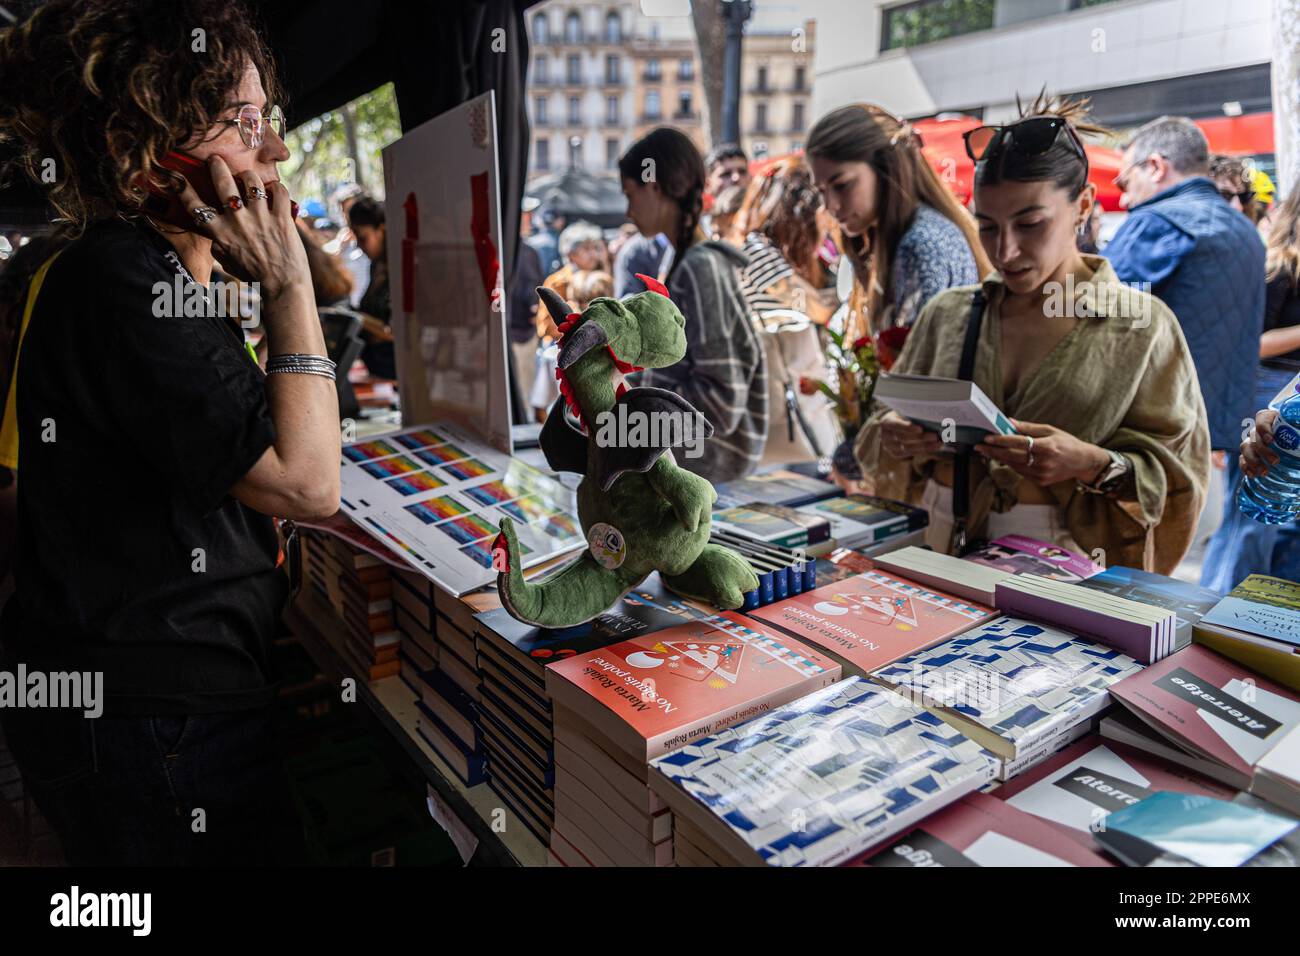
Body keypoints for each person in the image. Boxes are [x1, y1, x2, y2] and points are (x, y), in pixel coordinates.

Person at [0, 0, 339, 864]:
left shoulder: (153, 276)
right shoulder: (122, 283)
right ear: (152, 155)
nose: (276, 151)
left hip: (149, 706)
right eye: (243, 123)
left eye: (272, 121)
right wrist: (290, 283)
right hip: (154, 723)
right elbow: (307, 482)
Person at [854, 95, 1210, 572]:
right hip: (940, 537)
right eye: (987, 226)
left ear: (1083, 204)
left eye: (1030, 223)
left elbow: (1180, 477)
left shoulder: (1140, 325)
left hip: (1065, 554)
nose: (1007, 250)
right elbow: (879, 428)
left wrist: (1090, 463)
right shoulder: (949, 314)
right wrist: (896, 435)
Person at [1106, 117, 1265, 585]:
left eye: (1124, 178)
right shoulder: (1245, 232)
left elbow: (1095, 324)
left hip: (1144, 445)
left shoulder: (1155, 221)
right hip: (1215, 440)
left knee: (1120, 583)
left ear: (1155, 166)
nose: (1123, 193)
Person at [618, 128, 767, 483]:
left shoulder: (700, 267)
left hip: (709, 476)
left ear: (654, 186)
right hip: (697, 471)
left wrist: (633, 420)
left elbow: (721, 401)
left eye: (630, 194)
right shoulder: (682, 259)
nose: (628, 210)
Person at [807, 104, 991, 338]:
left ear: (886, 167)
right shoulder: (915, 233)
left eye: (842, 185)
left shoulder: (919, 243)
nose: (830, 205)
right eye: (821, 191)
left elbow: (914, 365)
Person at [1201, 185, 1300, 588]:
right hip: (1269, 398)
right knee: (1249, 524)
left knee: (1282, 527)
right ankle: (1221, 613)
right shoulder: (1278, 266)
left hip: (1287, 399)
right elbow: (1251, 344)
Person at [346, 196, 396, 379]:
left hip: (394, 371)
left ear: (381, 230)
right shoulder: (376, 266)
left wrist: (355, 317)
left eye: (363, 238)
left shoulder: (399, 270)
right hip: (376, 369)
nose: (359, 245)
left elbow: (394, 331)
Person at [537, 220, 605, 339]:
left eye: (595, 248)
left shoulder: (601, 277)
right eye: (587, 249)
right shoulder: (556, 283)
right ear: (571, 254)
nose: (594, 254)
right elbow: (546, 327)